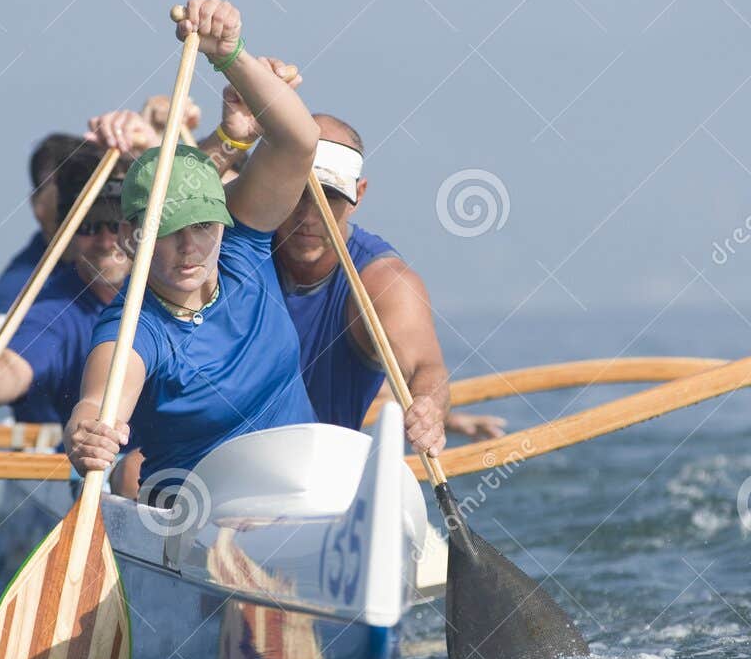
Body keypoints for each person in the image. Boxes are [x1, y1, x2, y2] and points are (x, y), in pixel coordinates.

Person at [66, 0, 438, 491]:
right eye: (168, 232)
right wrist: (84, 435)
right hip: (200, 518)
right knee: (127, 473)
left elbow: (298, 142)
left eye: (202, 227)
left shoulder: (245, 250)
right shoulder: (136, 327)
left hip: (308, 494)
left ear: (224, 221)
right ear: (136, 238)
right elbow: (97, 403)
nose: (189, 249)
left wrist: (229, 53)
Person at [86, 90, 505, 448]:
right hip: (197, 472)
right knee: (133, 467)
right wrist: (195, 140)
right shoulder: (239, 241)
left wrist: (431, 408)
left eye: (330, 198)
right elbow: (177, 194)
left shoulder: (380, 283)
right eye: (298, 195)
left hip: (317, 480)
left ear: (359, 194)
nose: (308, 217)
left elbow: (425, 370)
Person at [0, 151, 130, 424]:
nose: (106, 241)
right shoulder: (55, 312)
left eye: (115, 224)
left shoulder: (177, 281)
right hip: (95, 460)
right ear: (66, 234)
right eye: (89, 227)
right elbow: (14, 368)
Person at [0, 132, 88, 346]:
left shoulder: (125, 258)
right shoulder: (15, 289)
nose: (75, 199)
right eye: (62, 186)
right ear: (36, 203)